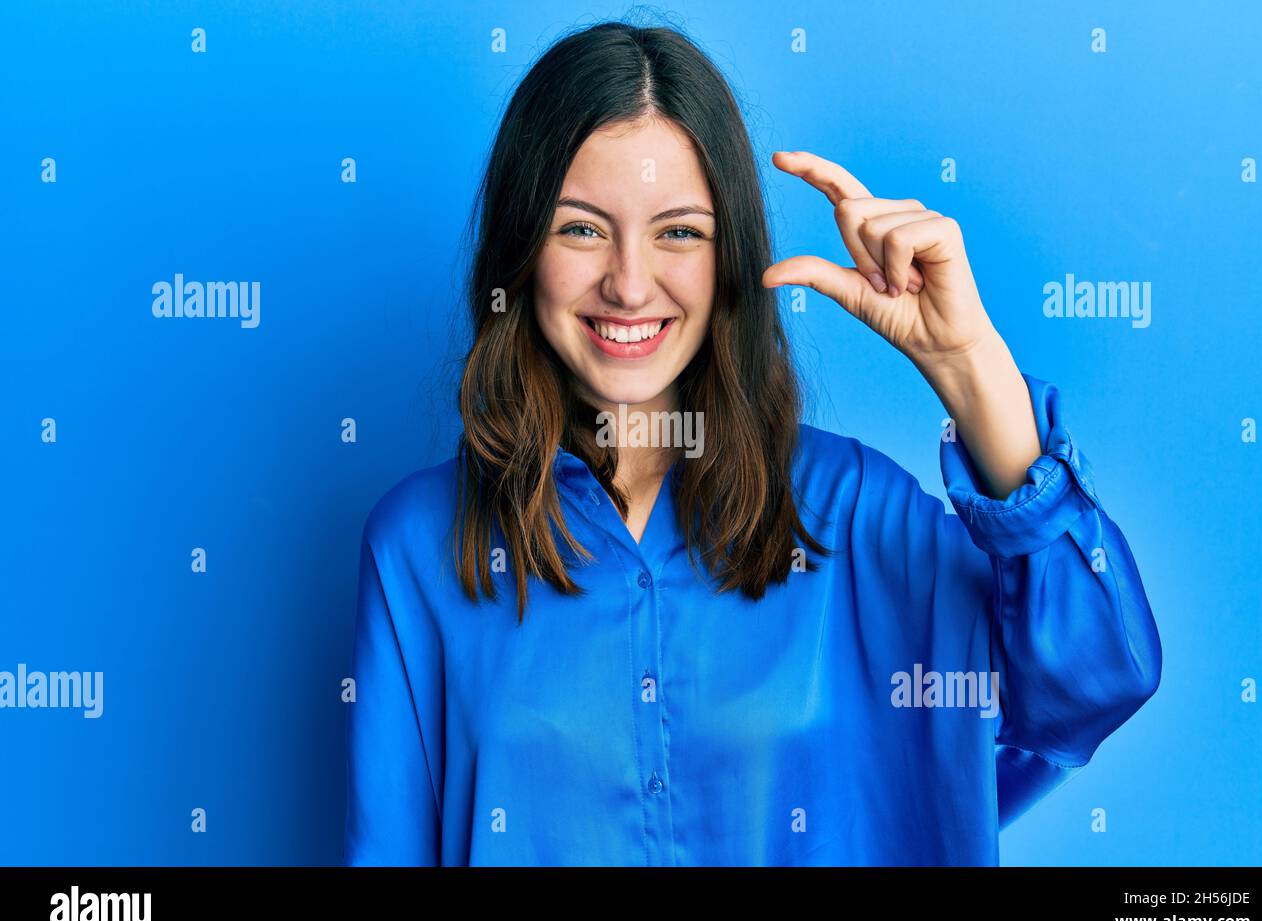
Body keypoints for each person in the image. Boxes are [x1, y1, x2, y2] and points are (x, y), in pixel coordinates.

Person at [343, 20, 1161, 866]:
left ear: (728, 256)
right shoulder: (417, 545)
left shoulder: (853, 513)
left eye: (679, 232)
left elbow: (1097, 677)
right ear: (522, 250)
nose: (628, 283)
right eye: (580, 228)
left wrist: (968, 366)